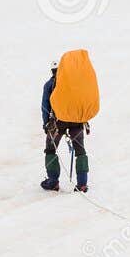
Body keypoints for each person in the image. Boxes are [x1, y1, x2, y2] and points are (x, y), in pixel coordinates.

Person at [40, 59, 90, 193]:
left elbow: (45, 106)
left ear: (52, 71)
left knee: (50, 149)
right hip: (76, 121)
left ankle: (53, 182)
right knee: (80, 151)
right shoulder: (74, 84)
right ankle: (82, 184)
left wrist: (46, 123)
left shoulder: (49, 84)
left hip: (57, 122)